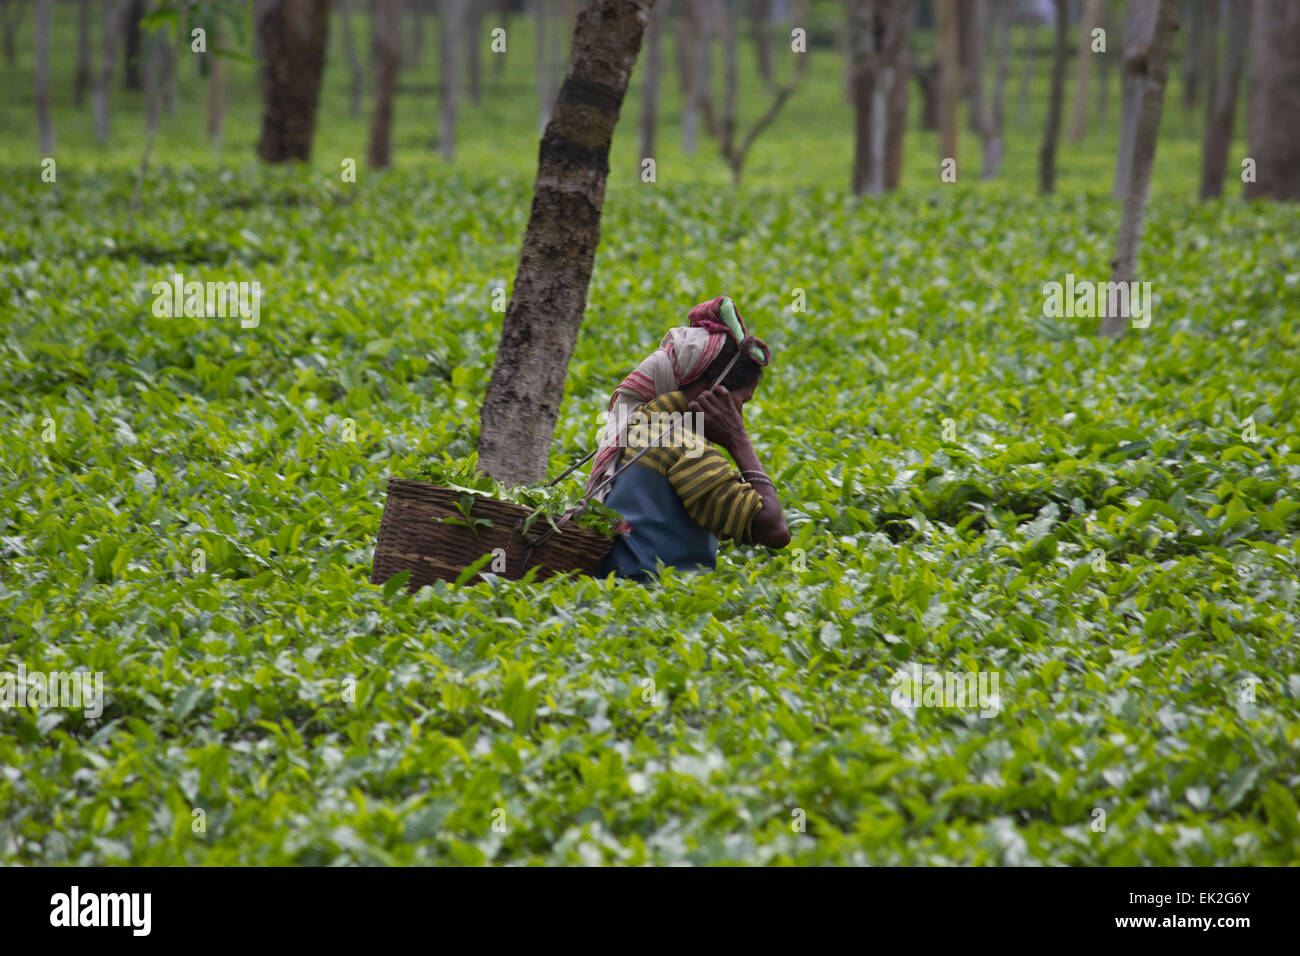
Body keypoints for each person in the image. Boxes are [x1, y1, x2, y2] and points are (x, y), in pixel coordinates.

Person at [590, 296, 790, 580]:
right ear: (714, 390)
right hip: (660, 601)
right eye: (740, 402)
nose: (739, 415)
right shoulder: (683, 445)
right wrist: (739, 441)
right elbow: (774, 529)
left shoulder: (641, 423)